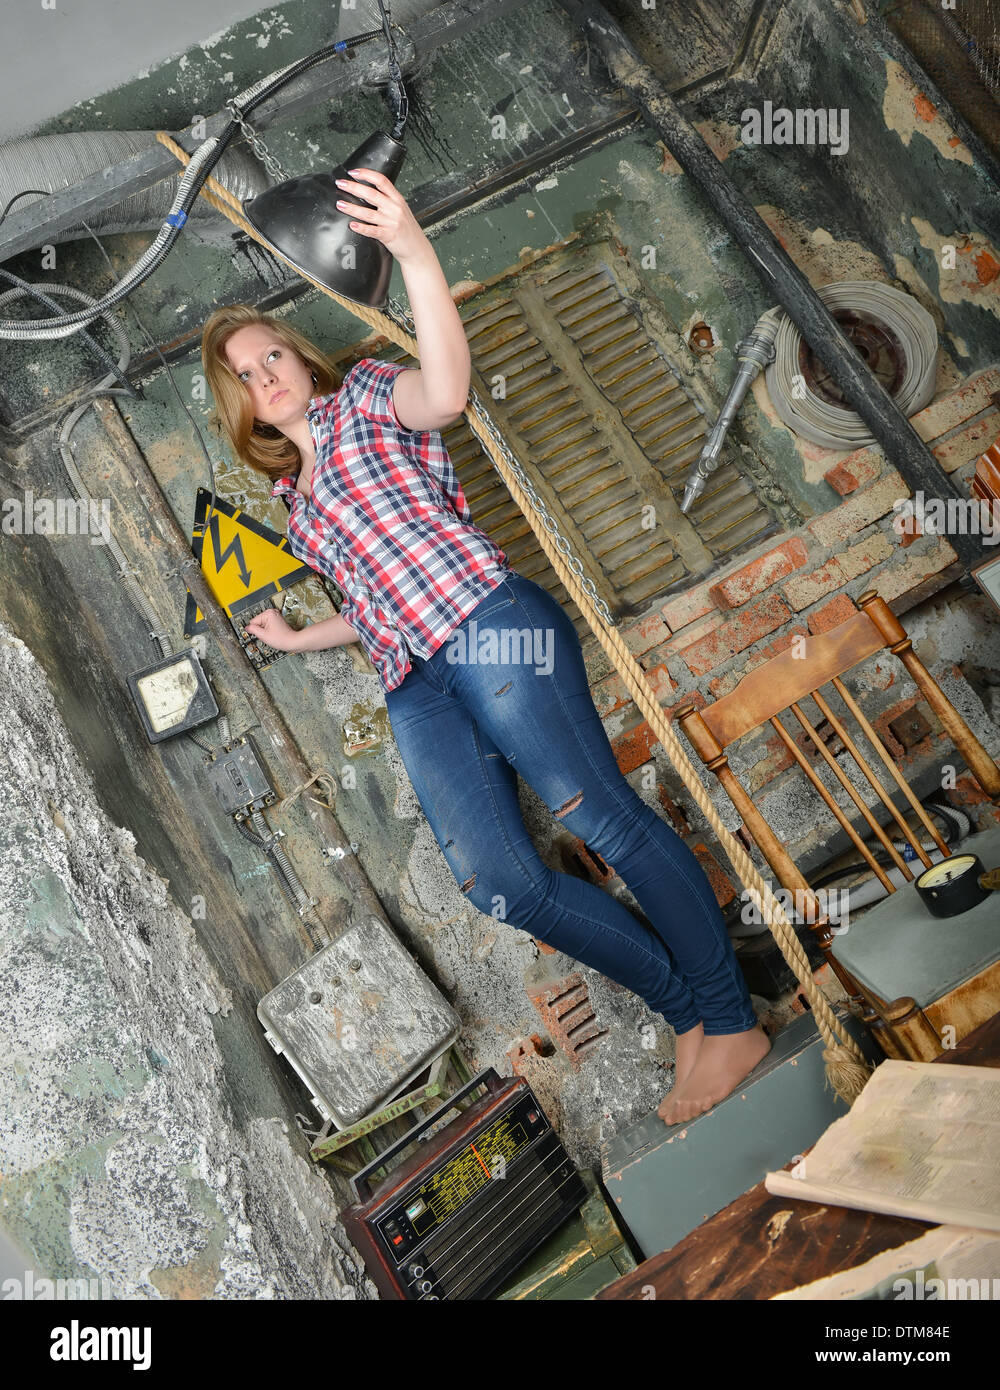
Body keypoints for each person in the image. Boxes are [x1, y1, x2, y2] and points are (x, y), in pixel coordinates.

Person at [200, 166, 770, 1126]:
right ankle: (686, 1014)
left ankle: (729, 1021)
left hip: (488, 624)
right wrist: (302, 638)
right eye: (246, 378)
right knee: (498, 884)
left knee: (601, 821)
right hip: (414, 677)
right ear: (244, 409)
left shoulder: (369, 400)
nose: (266, 378)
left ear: (300, 362)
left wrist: (415, 251)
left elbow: (451, 390)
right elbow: (379, 600)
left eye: (272, 358)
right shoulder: (294, 500)